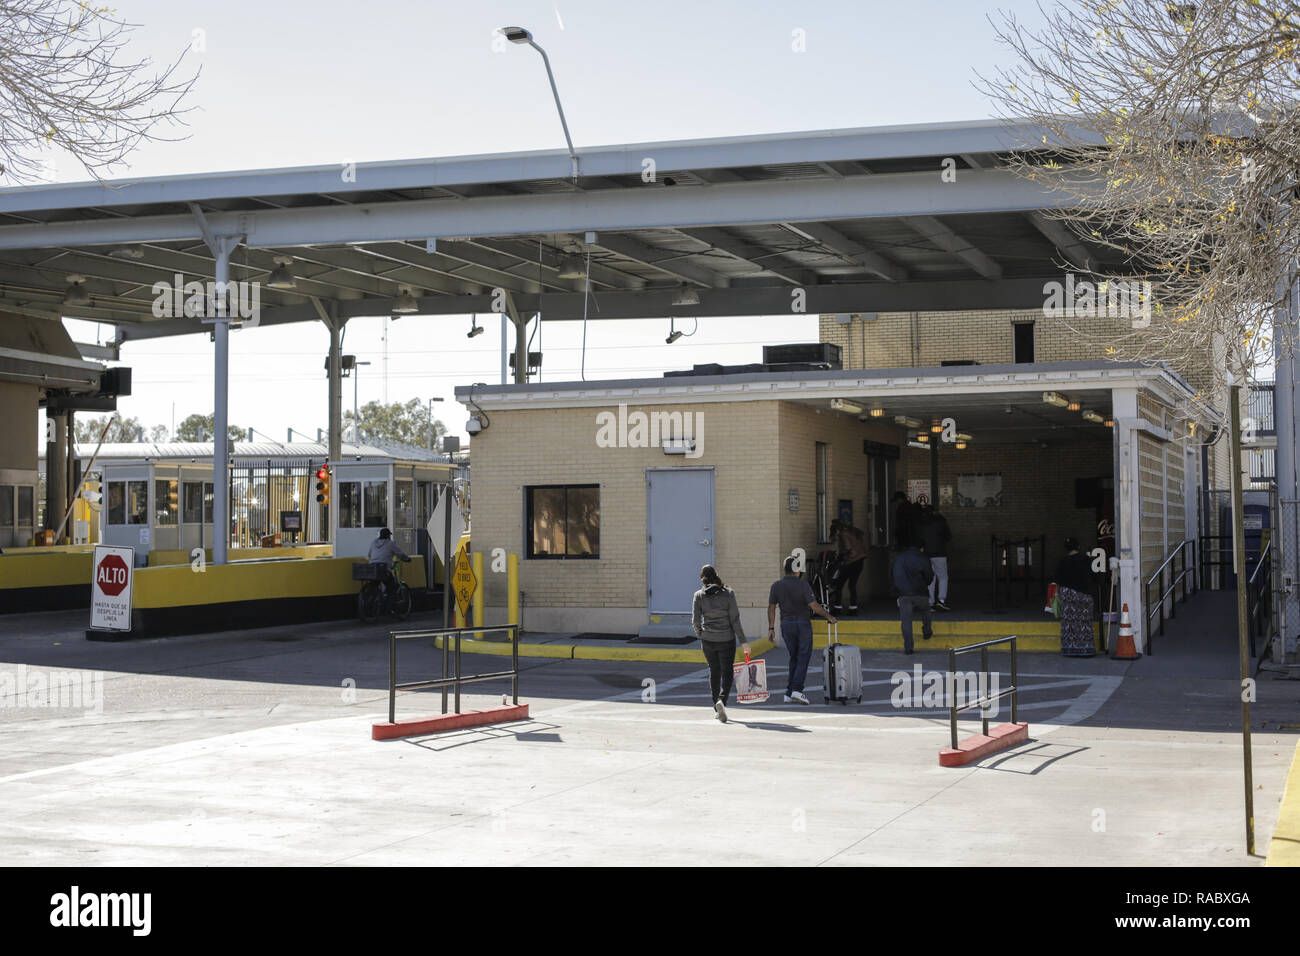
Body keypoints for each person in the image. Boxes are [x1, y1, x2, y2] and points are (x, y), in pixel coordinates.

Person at [767, 556, 838, 704]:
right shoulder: (803, 585)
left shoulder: (776, 585)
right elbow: (814, 606)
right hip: (802, 623)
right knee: (803, 657)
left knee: (794, 657)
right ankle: (797, 690)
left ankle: (788, 692)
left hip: (786, 624)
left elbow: (772, 608)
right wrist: (828, 616)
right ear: (797, 570)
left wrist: (771, 627)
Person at [692, 565, 750, 723]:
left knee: (714, 671)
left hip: (708, 640)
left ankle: (716, 705)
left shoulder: (699, 595)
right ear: (716, 575)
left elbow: (695, 621)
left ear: (702, 578)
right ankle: (722, 701)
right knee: (727, 672)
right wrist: (744, 641)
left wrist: (701, 635)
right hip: (726, 639)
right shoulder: (729, 593)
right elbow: (735, 620)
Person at [1051, 536, 1097, 658]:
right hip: (1084, 594)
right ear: (1078, 546)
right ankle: (1086, 649)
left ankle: (1069, 649)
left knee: (1069, 622)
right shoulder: (1086, 559)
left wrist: (1057, 594)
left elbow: (1057, 580)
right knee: (1084, 622)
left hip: (1067, 595)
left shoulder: (1063, 560)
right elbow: (1093, 577)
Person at [891, 540, 934, 654]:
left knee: (906, 620)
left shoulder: (899, 558)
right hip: (921, 592)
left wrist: (898, 589)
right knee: (926, 611)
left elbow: (893, 574)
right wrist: (924, 584)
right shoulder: (923, 558)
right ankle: (927, 631)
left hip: (904, 594)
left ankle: (908, 647)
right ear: (921, 548)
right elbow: (930, 576)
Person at [917, 504, 953, 611]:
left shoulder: (921, 523)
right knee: (943, 577)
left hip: (926, 554)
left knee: (930, 578)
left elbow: (918, 539)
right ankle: (941, 601)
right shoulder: (941, 521)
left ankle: (930, 602)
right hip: (940, 553)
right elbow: (948, 537)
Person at [829, 518, 868, 615]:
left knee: (839, 584)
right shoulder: (853, 531)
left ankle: (838, 608)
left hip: (851, 562)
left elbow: (847, 548)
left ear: (837, 530)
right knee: (852, 585)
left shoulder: (843, 534)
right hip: (860, 561)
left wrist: (840, 556)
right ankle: (853, 608)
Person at [367, 527, 411, 610]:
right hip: (383, 569)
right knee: (392, 587)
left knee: (374, 584)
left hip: (373, 568)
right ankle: (389, 607)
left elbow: (369, 555)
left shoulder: (373, 543)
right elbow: (400, 554)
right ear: (388, 536)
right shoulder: (390, 544)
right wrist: (407, 559)